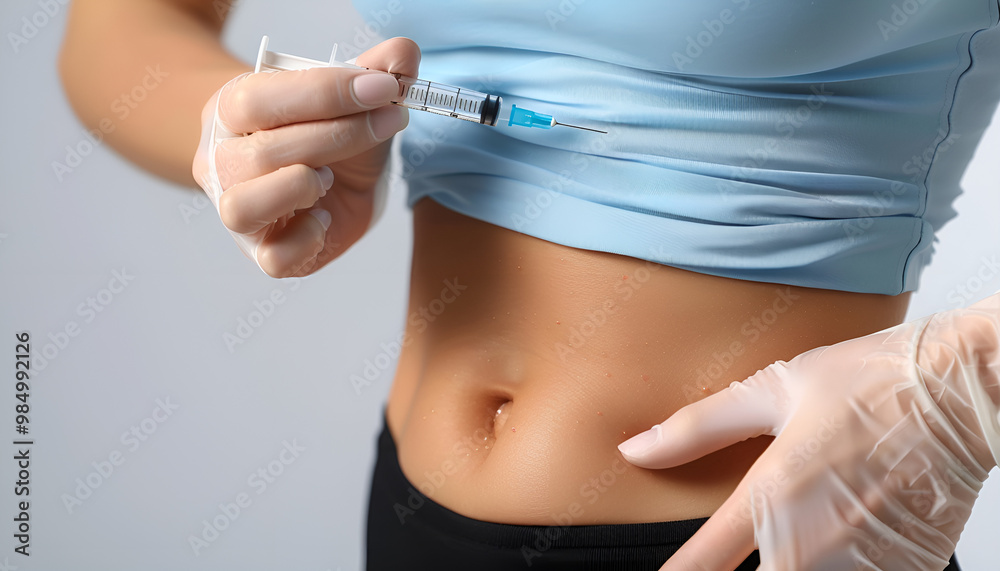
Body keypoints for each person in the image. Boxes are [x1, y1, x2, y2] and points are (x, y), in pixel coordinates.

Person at [59, 0, 1000, 569]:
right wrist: (229, 129)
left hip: (764, 541)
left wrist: (969, 377)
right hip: (413, 520)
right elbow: (120, 26)